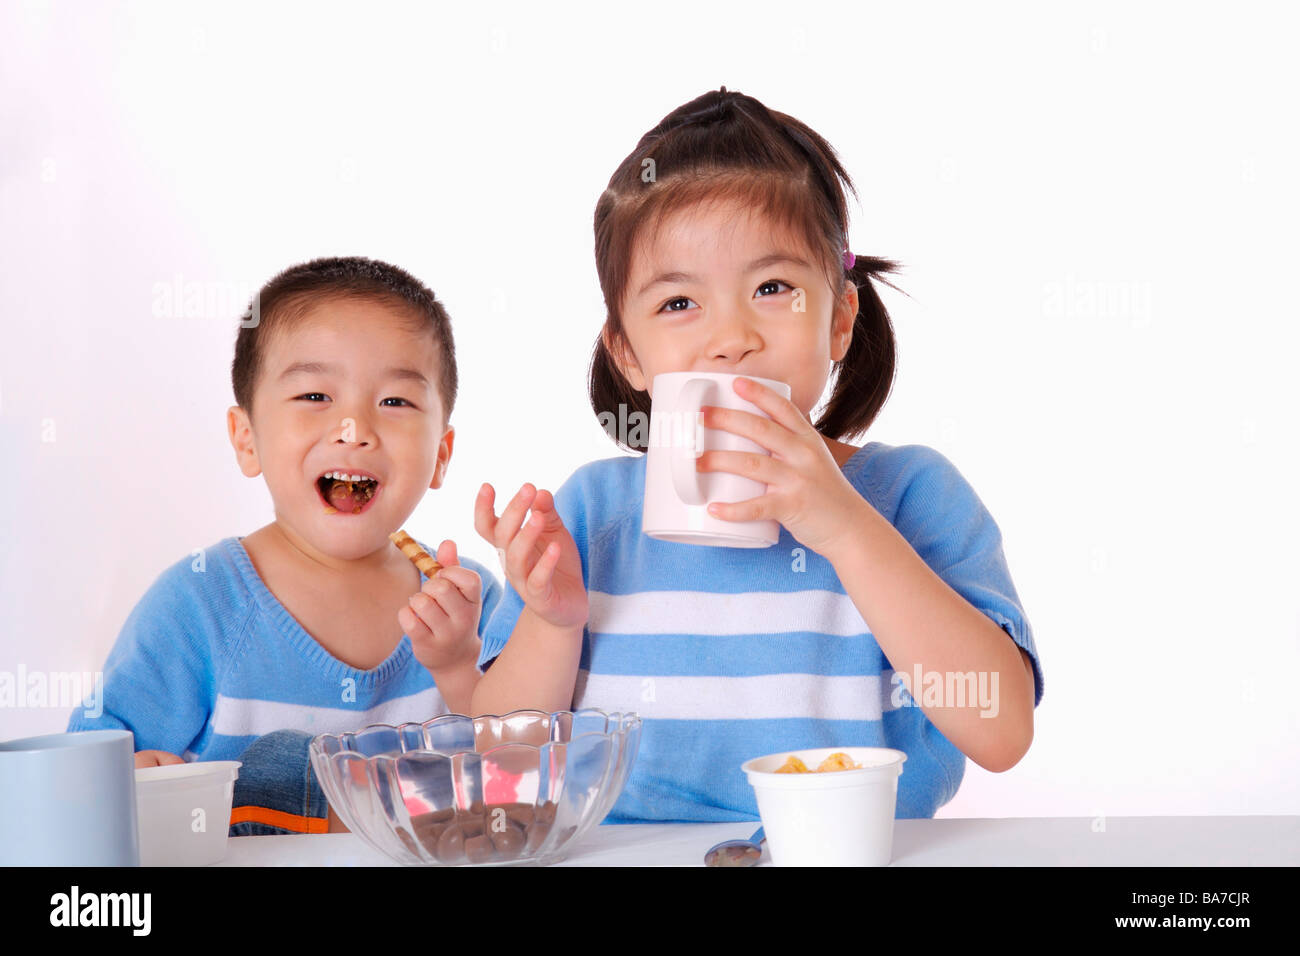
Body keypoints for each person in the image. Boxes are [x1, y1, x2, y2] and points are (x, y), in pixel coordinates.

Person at [470, 88, 1044, 822]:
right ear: (628, 355)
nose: (730, 335)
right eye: (679, 303)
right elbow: (500, 764)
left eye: (773, 288)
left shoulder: (908, 495)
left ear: (838, 320)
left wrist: (846, 528)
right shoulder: (589, 516)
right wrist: (551, 623)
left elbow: (1002, 731)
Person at [68, 256, 502, 835]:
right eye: (314, 396)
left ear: (441, 455)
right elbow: (82, 777)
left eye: (395, 402)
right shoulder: (200, 603)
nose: (354, 428)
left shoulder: (470, 605)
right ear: (246, 439)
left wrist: (456, 667)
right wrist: (134, 779)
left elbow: (516, 780)